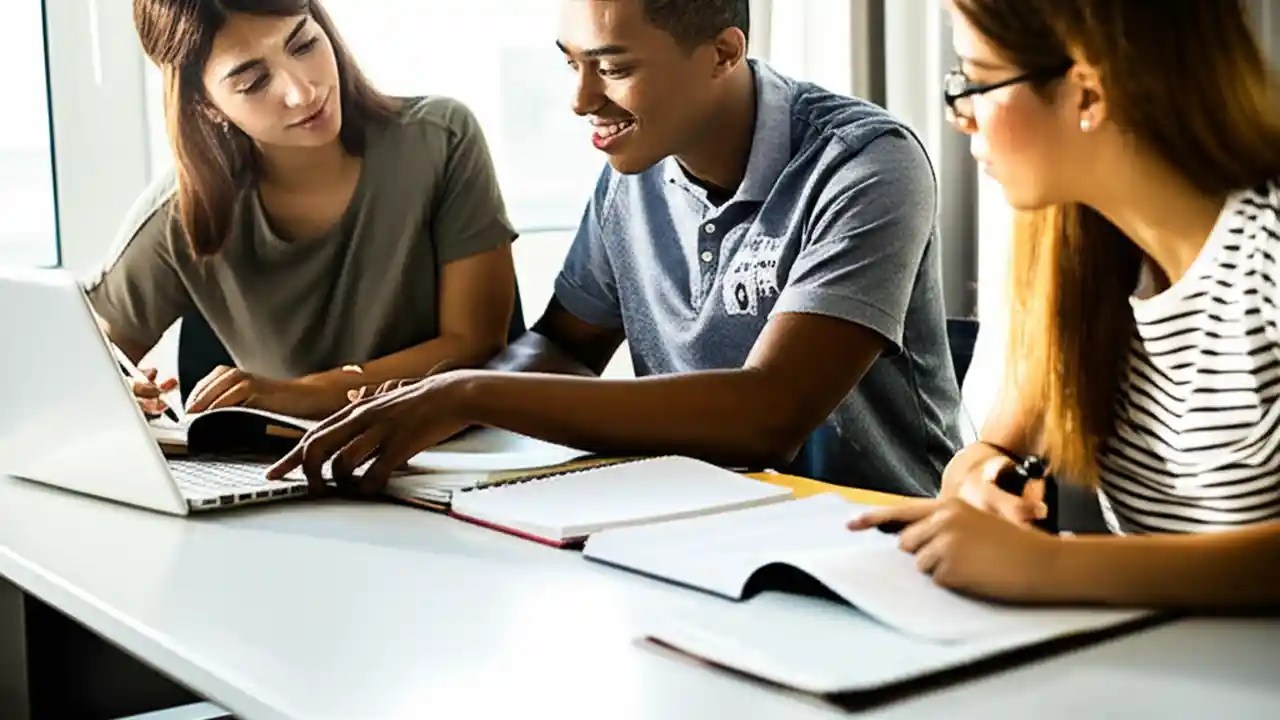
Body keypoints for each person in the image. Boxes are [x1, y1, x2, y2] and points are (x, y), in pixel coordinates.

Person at [269, 0, 962, 496]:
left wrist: (472, 392)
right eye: (571, 62)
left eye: (612, 67)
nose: (579, 99)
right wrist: (429, 401)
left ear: (723, 52)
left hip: (871, 543)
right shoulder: (632, 171)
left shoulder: (865, 163)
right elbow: (566, 347)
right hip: (692, 526)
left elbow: (769, 414)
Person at [851, 0, 1280, 609]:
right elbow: (990, 449)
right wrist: (982, 483)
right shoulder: (1078, 246)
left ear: (1086, 95)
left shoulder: (1266, 251)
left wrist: (1051, 565)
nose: (961, 115)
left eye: (978, 78)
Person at [87, 0, 517, 420]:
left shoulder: (440, 140)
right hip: (285, 479)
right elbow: (95, 358)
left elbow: (474, 343)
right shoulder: (177, 215)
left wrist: (301, 393)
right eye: (254, 81)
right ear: (204, 104)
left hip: (454, 461)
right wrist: (120, 390)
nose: (302, 91)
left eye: (304, 45)